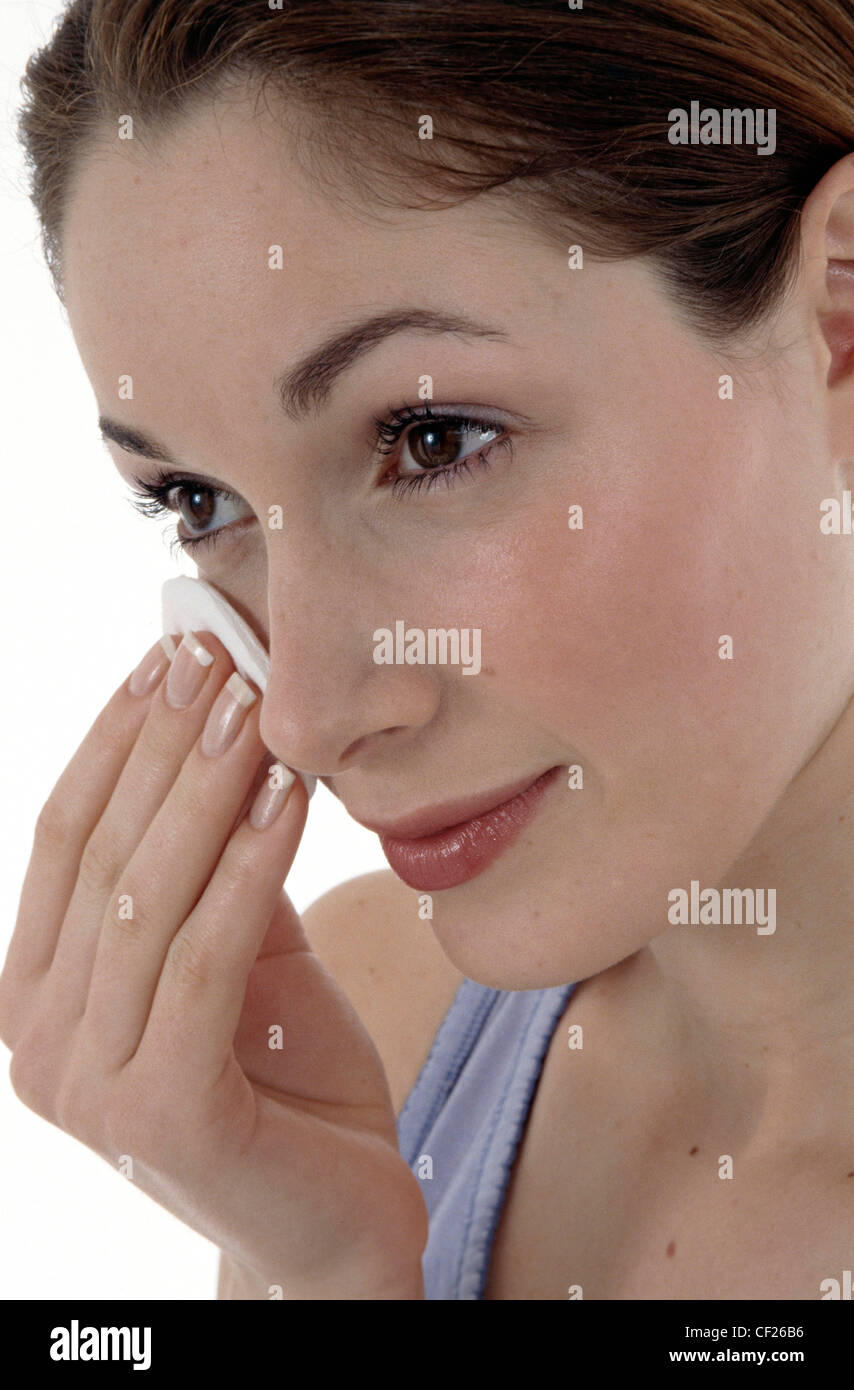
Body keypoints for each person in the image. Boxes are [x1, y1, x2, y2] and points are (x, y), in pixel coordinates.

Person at [2, 0, 854, 1300]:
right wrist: (332, 1268)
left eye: (431, 438)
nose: (302, 709)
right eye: (199, 502)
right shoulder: (364, 1035)